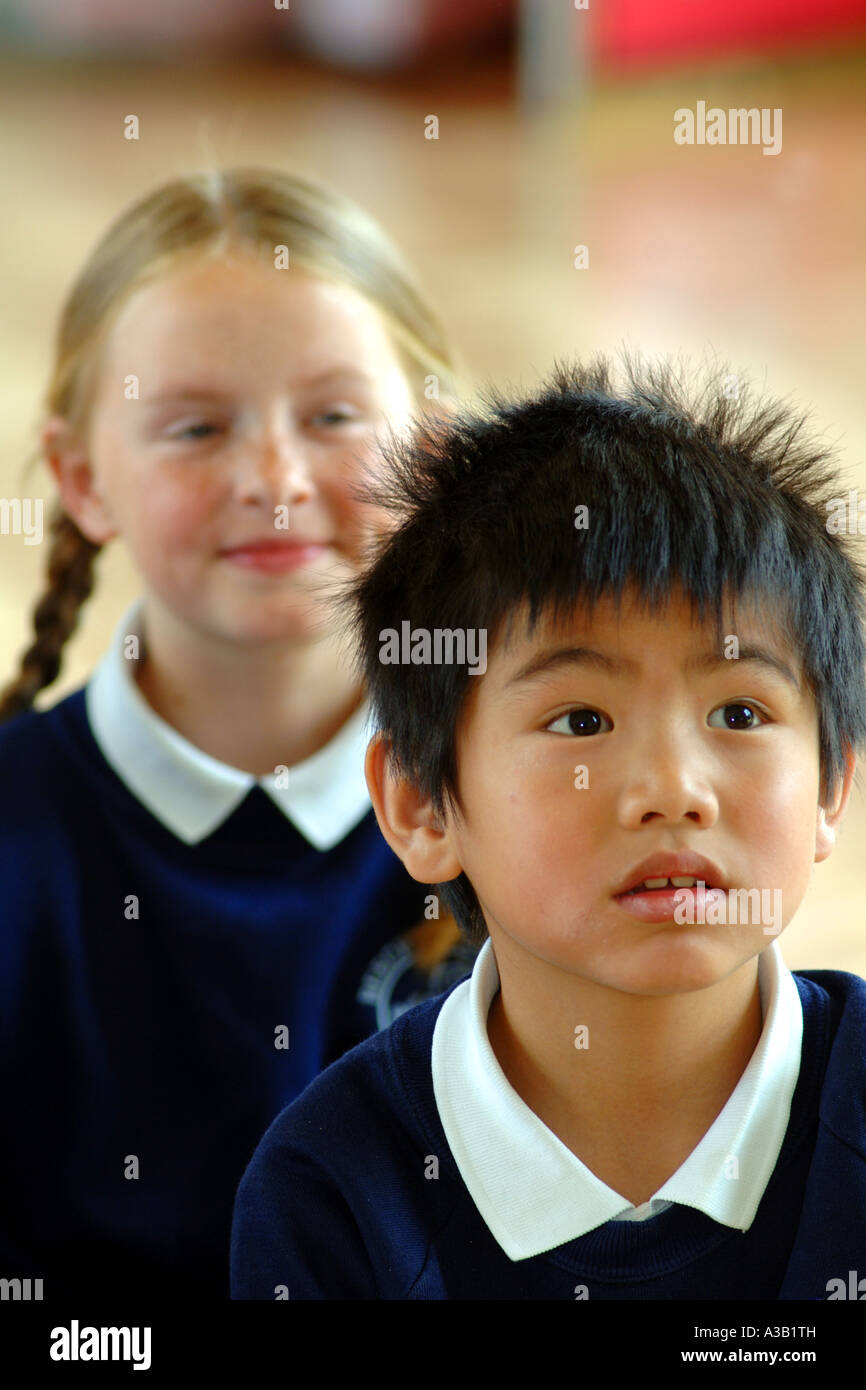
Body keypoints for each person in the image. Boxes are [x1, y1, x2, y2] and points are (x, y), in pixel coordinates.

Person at [231, 355, 866, 1300]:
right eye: (582, 722)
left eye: (739, 713)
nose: (674, 790)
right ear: (421, 805)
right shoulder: (334, 1188)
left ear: (831, 781)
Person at [0, 166, 475, 1302]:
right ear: (81, 478)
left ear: (437, 448)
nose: (271, 478)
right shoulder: (19, 840)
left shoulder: (517, 804)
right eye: (196, 425)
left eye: (333, 416)